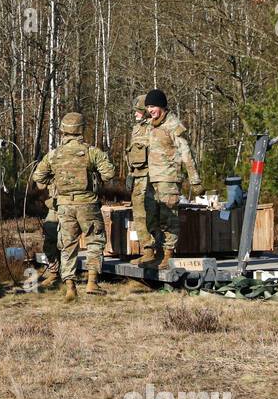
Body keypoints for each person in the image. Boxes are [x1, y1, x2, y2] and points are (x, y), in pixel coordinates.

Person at [32, 111, 116, 301]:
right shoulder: (91, 152)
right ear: (81, 130)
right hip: (88, 204)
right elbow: (109, 174)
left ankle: (70, 286)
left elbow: (38, 177)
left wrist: (55, 179)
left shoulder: (54, 155)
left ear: (63, 131)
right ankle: (92, 282)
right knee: (95, 241)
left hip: (63, 205)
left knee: (67, 245)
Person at [134, 88, 202, 269]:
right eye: (148, 106)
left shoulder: (173, 125)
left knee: (168, 217)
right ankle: (157, 253)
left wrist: (195, 180)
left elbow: (186, 153)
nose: (151, 110)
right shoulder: (150, 125)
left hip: (169, 179)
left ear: (162, 106)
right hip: (151, 180)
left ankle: (168, 254)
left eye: (154, 106)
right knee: (151, 218)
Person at [126, 94, 151, 257]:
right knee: (139, 213)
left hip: (151, 177)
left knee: (153, 213)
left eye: (138, 111)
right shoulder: (136, 129)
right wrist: (130, 174)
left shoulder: (154, 128)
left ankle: (159, 250)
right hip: (137, 177)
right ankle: (147, 250)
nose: (135, 114)